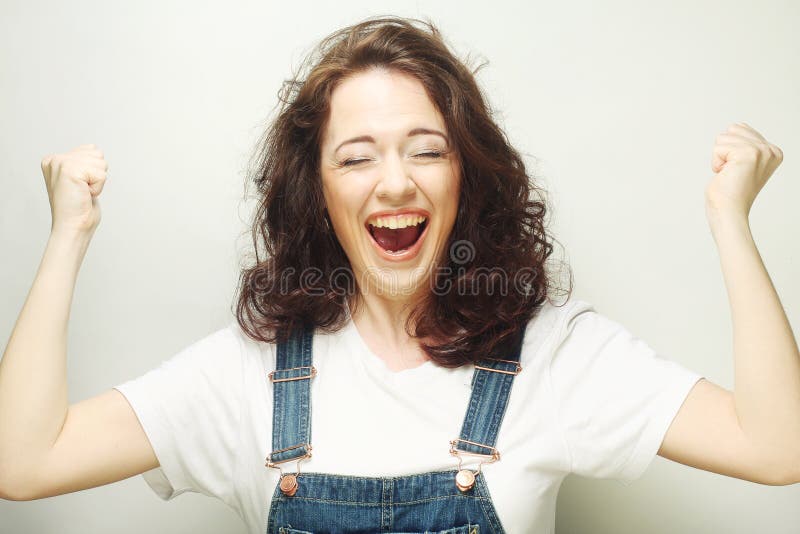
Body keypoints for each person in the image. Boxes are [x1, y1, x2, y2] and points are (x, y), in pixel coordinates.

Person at [0, 14, 795, 534]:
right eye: (356, 158)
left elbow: (777, 446)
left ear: (465, 177)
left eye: (427, 150)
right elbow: (24, 462)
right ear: (317, 193)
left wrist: (730, 221)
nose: (395, 182)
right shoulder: (248, 372)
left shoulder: (554, 356)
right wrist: (68, 235)